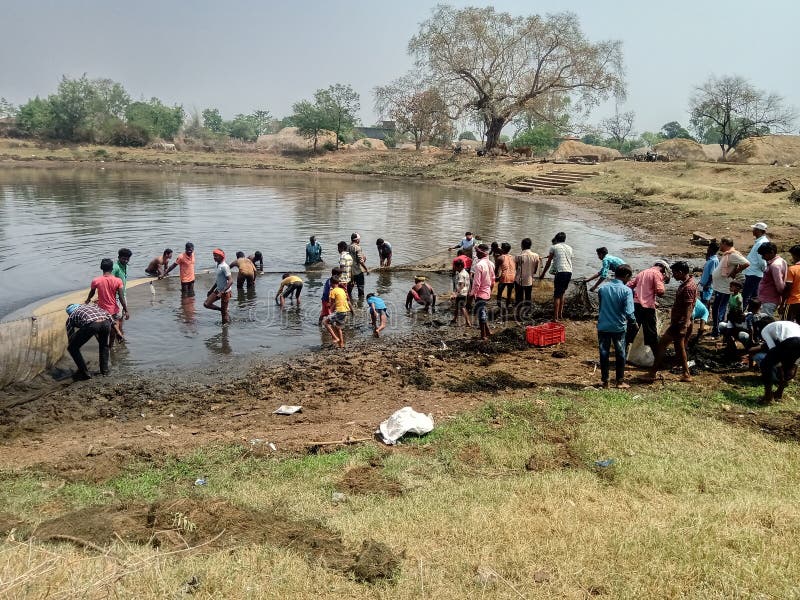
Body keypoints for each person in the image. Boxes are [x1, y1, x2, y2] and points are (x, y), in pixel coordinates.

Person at [645, 261, 698, 383]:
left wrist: (685, 324)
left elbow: (689, 307)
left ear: (680, 272)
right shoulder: (687, 284)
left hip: (680, 323)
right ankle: (684, 373)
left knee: (669, 346)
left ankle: (654, 373)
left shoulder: (688, 287)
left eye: (674, 273)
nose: (673, 275)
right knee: (675, 348)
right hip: (678, 322)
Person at [596, 263, 636, 388]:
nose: (630, 280)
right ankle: (619, 381)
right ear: (626, 275)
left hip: (603, 325)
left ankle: (605, 381)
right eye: (629, 277)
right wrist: (634, 323)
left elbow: (601, 306)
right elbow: (629, 312)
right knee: (620, 353)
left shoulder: (603, 288)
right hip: (618, 327)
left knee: (604, 352)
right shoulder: (627, 290)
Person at [749, 319, 800, 403]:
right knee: (788, 369)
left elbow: (772, 348)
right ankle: (779, 393)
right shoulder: (787, 324)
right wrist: (794, 365)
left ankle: (768, 397)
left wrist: (779, 367)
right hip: (795, 341)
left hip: (791, 341)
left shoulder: (765, 330)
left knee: (765, 364)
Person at [626, 260, 669, 356]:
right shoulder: (657, 274)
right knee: (651, 334)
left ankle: (621, 355)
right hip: (647, 308)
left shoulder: (642, 272)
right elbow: (660, 291)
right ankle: (657, 359)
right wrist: (662, 281)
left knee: (631, 331)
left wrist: (633, 297)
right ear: (663, 269)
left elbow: (629, 286)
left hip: (636, 305)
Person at [710, 237, 749, 336]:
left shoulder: (733, 255)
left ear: (725, 243)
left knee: (718, 309)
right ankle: (717, 329)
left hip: (724, 287)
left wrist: (735, 272)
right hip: (720, 286)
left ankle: (717, 330)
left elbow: (746, 263)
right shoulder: (727, 254)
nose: (720, 246)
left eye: (721, 244)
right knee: (717, 309)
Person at [65, 302, 113, 380]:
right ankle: (105, 371)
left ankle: (85, 373)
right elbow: (108, 314)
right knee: (104, 345)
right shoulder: (92, 307)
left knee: (72, 348)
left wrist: (75, 346)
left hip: (92, 325)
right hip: (106, 323)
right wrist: (117, 331)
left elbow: (71, 337)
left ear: (69, 313)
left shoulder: (71, 317)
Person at [86, 258, 128, 344]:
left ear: (101, 268)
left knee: (100, 330)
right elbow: (121, 296)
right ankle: (110, 346)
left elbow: (92, 292)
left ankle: (103, 344)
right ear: (112, 268)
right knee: (113, 329)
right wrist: (126, 310)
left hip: (101, 311)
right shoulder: (118, 281)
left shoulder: (96, 281)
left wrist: (88, 300)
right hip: (114, 310)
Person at [539, 232, 573, 321]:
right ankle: (560, 315)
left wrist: (543, 274)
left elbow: (548, 262)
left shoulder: (554, 247)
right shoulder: (569, 248)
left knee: (557, 295)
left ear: (556, 239)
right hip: (569, 272)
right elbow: (567, 259)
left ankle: (555, 318)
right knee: (562, 293)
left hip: (561, 272)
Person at [470, 244, 496, 340]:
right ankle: (488, 331)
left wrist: (472, 294)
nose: (476, 254)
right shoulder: (491, 264)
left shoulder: (479, 265)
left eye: (477, 252)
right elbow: (493, 280)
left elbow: (476, 283)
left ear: (481, 253)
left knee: (481, 314)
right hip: (487, 291)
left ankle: (483, 335)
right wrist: (490, 291)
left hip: (480, 293)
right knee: (483, 311)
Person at [742, 222, 770, 308]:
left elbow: (762, 261)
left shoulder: (761, 243)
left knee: (746, 295)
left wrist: (763, 270)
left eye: (754, 229)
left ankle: (745, 312)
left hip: (754, 273)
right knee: (754, 295)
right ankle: (751, 312)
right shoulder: (760, 241)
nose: (753, 230)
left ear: (759, 231)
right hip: (754, 273)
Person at [756, 242, 787, 316]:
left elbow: (780, 287)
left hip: (769, 300)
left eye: (764, 255)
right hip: (768, 299)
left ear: (771, 252)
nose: (762, 257)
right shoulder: (781, 261)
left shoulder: (775, 265)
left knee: (764, 322)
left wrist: (782, 303)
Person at [204, 249, 233, 324]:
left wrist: (222, 292)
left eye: (216, 256)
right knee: (206, 304)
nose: (214, 258)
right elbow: (218, 280)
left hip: (225, 292)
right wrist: (211, 290)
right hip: (218, 289)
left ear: (221, 256)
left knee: (223, 315)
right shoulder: (217, 265)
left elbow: (230, 281)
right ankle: (222, 309)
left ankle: (225, 329)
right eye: (214, 256)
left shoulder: (225, 267)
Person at [322, 278, 351, 348]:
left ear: (331, 283)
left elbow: (331, 303)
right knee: (338, 327)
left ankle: (335, 338)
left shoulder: (333, 291)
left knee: (325, 322)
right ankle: (341, 344)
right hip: (345, 310)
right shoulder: (342, 290)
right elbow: (341, 301)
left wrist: (329, 308)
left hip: (339, 311)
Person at [514, 238, 539, 313]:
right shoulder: (536, 256)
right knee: (528, 296)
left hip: (519, 280)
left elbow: (516, 268)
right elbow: (535, 270)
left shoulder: (518, 256)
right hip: (529, 280)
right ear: (530, 245)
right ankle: (528, 312)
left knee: (519, 297)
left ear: (522, 246)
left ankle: (518, 313)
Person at [111, 248, 132, 339]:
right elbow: (109, 281)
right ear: (119, 257)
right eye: (124, 259)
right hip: (116, 297)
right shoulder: (115, 267)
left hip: (123, 295)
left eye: (128, 259)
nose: (126, 261)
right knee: (117, 317)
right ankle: (117, 335)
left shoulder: (126, 266)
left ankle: (120, 332)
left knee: (121, 316)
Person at [450, 259, 472, 327]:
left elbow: (461, 285)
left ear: (459, 266)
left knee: (462, 307)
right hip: (465, 292)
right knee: (457, 306)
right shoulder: (466, 272)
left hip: (461, 293)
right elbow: (468, 283)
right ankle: (455, 318)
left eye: (455, 266)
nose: (454, 268)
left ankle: (468, 322)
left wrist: (455, 294)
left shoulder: (461, 274)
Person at [348, 233, 369, 299]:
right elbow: (360, 260)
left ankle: (349, 300)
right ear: (357, 240)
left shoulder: (348, 247)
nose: (359, 240)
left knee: (350, 288)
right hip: (358, 271)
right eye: (359, 239)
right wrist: (366, 269)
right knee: (360, 287)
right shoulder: (357, 247)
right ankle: (360, 302)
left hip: (350, 271)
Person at [699, 242, 720, 306]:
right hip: (703, 283)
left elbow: (712, 274)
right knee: (703, 300)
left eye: (709, 247)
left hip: (707, 285)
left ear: (711, 249)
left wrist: (707, 285)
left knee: (706, 301)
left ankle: (706, 314)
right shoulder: (710, 259)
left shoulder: (714, 260)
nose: (707, 249)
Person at [496, 242, 516, 309]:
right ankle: (508, 305)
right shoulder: (513, 257)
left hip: (505, 277)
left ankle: (499, 306)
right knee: (509, 293)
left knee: (499, 292)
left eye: (501, 248)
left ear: (502, 249)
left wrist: (496, 277)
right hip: (513, 277)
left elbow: (496, 270)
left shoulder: (500, 258)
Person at [783, 245, 800, 323]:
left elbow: (788, 288)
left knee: (787, 323)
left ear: (795, 256)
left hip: (793, 301)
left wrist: (782, 303)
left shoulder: (792, 269)